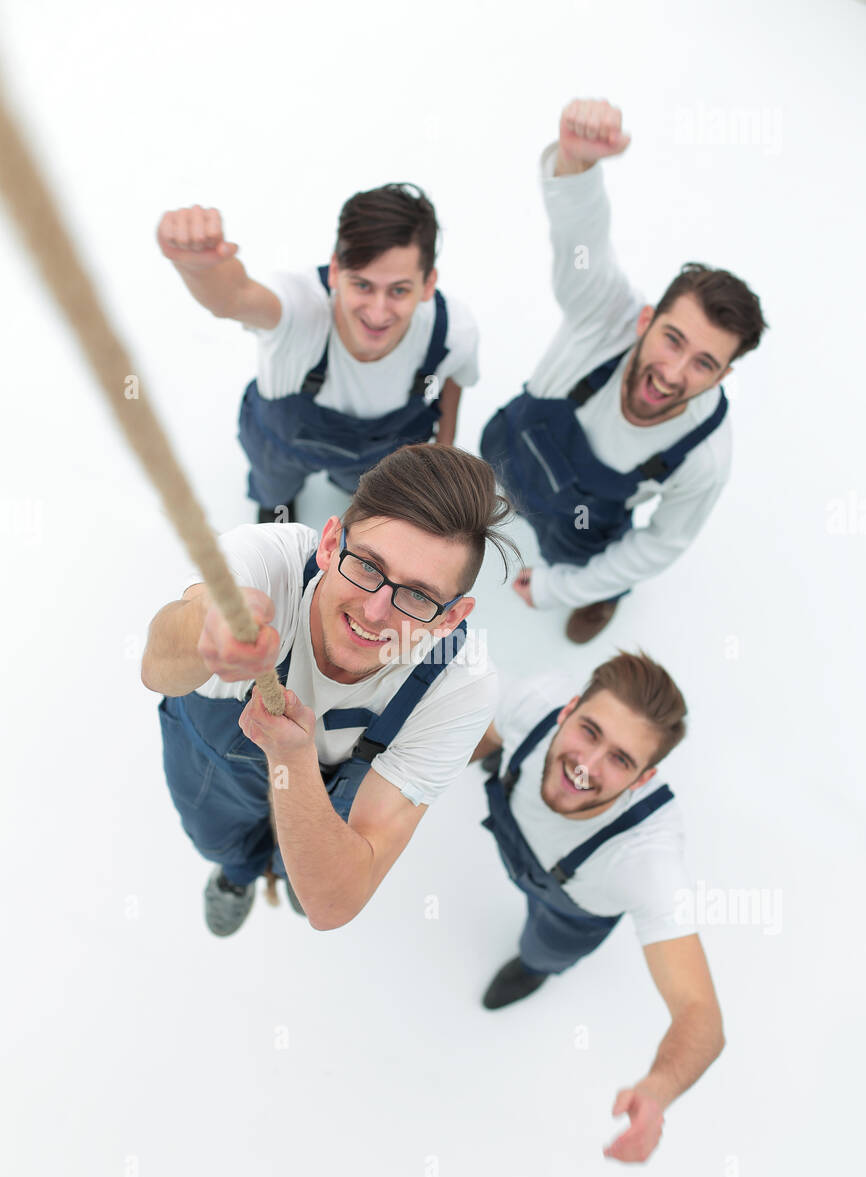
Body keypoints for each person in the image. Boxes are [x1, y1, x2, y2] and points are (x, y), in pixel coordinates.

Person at [141, 444, 519, 936]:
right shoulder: (266, 563)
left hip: (330, 793)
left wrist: (293, 760)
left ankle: (289, 870)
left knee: (311, 888)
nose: (376, 611)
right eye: (366, 565)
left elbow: (336, 904)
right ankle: (236, 876)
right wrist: (204, 630)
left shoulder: (459, 686)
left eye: (418, 595)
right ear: (329, 542)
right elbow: (155, 669)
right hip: (211, 770)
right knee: (219, 841)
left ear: (450, 618)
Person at [480, 97, 768, 643]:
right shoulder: (603, 311)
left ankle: (598, 597)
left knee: (592, 561)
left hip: (583, 527)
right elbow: (580, 239)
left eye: (704, 362)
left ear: (722, 377)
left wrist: (563, 588)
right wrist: (577, 163)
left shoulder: (704, 458)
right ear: (643, 320)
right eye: (672, 339)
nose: (672, 372)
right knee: (491, 488)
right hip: (510, 452)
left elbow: (657, 545)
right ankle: (498, 510)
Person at [470, 651, 724, 1164]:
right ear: (565, 712)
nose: (587, 766)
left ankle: (535, 968)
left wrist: (658, 1090)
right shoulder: (533, 702)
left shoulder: (645, 859)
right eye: (589, 731)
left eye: (622, 760)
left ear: (643, 780)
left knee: (542, 950)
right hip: (512, 840)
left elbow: (702, 1017)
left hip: (572, 910)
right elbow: (491, 737)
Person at [156, 186, 479, 521]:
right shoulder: (297, 306)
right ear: (336, 270)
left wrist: (444, 448)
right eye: (362, 285)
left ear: (428, 284)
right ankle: (278, 502)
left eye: (399, 290)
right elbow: (233, 297)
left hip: (381, 452)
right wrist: (196, 267)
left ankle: (355, 489)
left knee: (366, 489)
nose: (378, 312)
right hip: (279, 445)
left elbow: (454, 376)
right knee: (275, 490)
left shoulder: (453, 330)